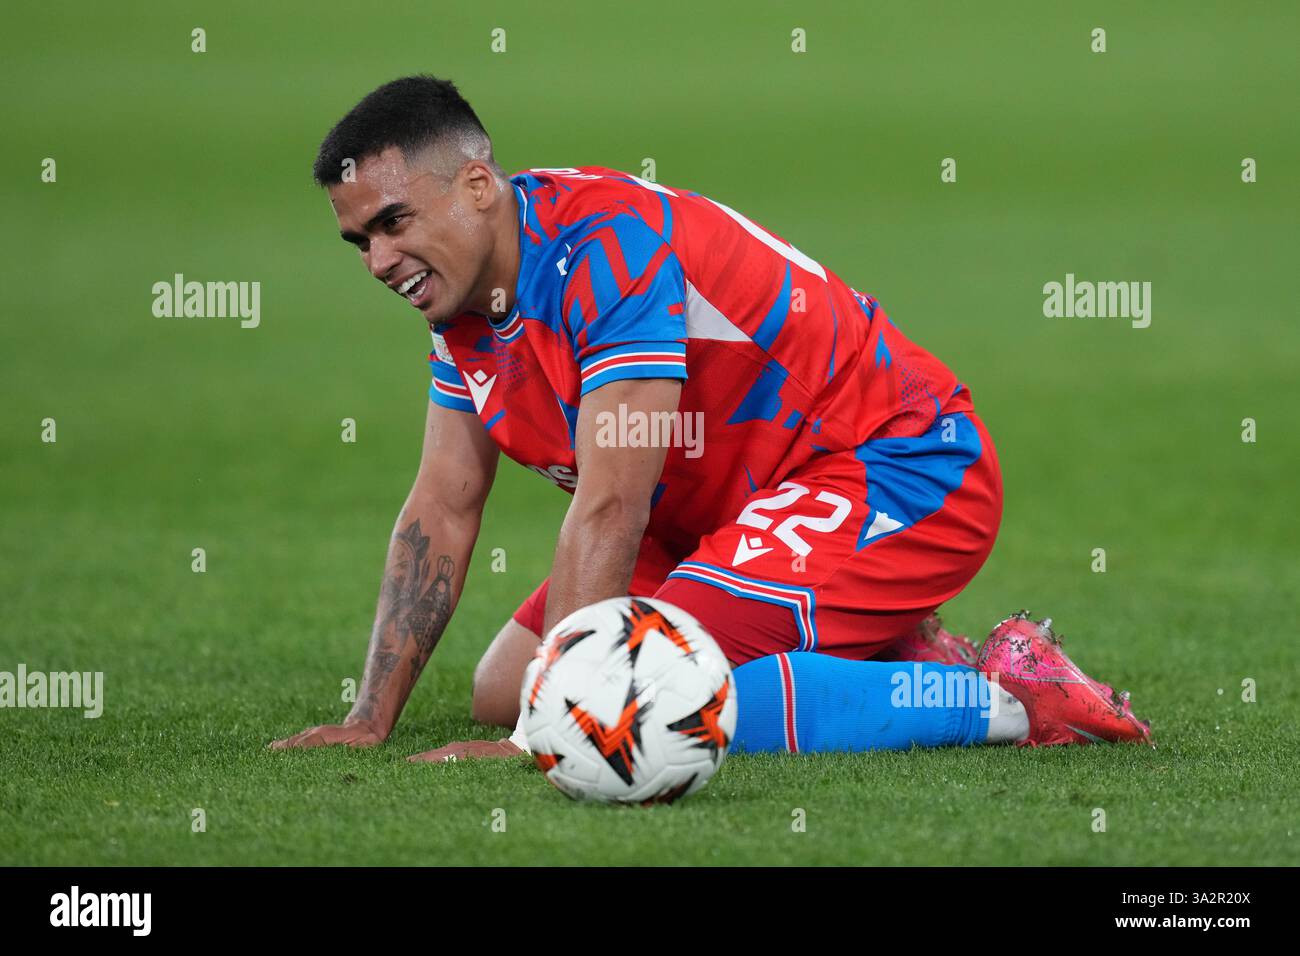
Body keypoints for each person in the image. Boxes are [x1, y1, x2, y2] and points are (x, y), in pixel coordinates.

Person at [271, 76, 1151, 760]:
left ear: (475, 184)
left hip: (900, 466)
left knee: (646, 692)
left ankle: (1002, 696)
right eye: (361, 242)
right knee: (505, 685)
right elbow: (444, 506)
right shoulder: (462, 301)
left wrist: (550, 736)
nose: (380, 260)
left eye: (394, 223)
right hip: (734, 511)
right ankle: (910, 657)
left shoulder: (607, 248)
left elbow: (613, 504)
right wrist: (368, 719)